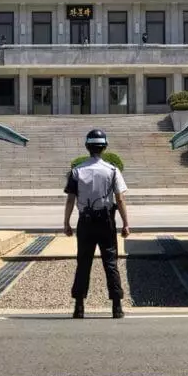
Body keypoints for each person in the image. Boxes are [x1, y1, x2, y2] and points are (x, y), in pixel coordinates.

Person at [63, 129, 130, 319]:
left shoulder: (77, 171)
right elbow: (120, 198)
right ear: (104, 147)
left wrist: (66, 222)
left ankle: (79, 306)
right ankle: (117, 307)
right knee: (110, 262)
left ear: (87, 147)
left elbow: (70, 200)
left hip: (85, 221)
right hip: (106, 221)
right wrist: (126, 223)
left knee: (83, 262)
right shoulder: (112, 170)